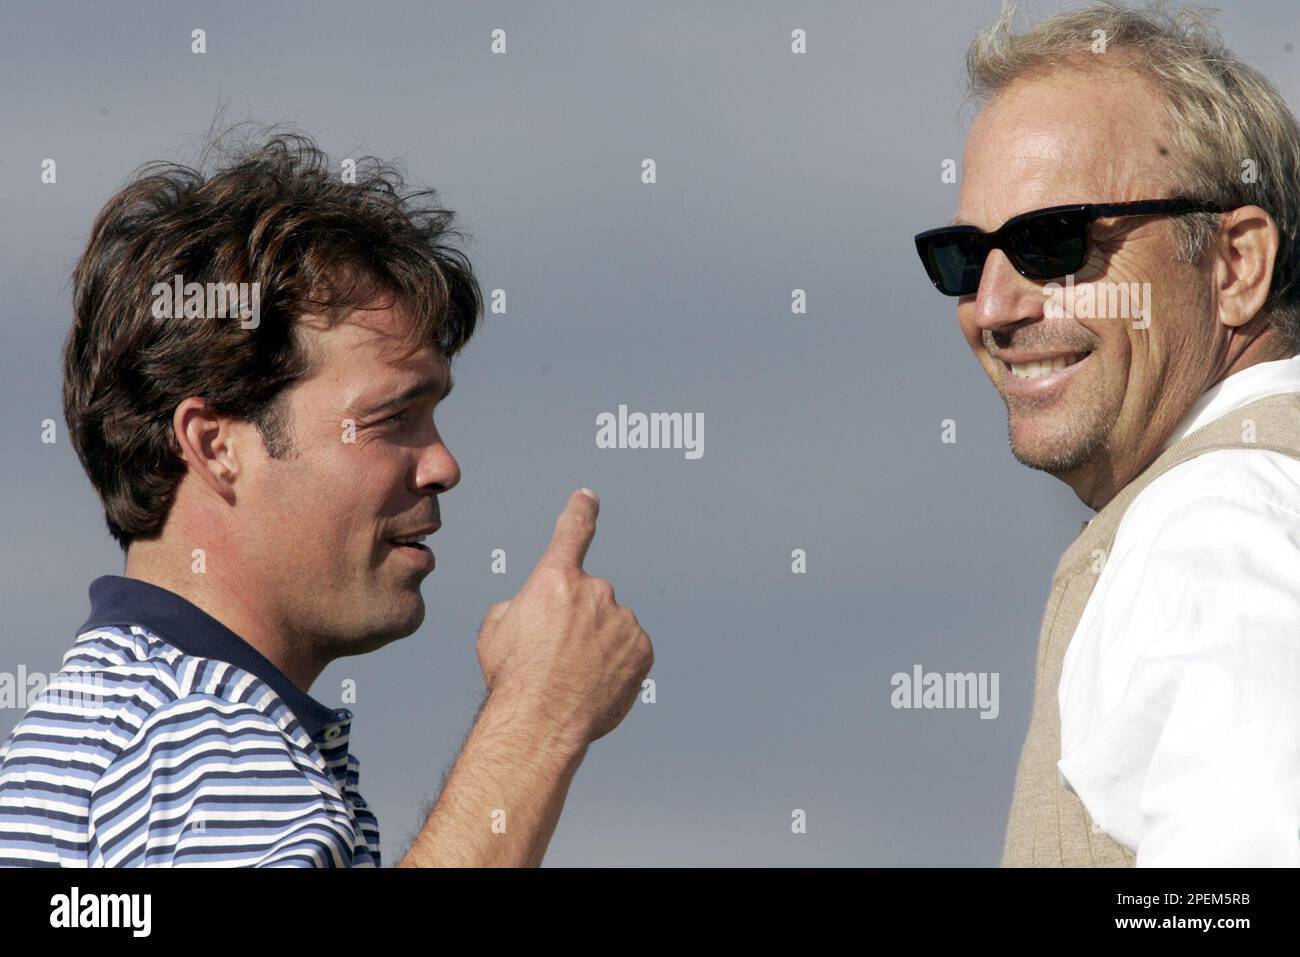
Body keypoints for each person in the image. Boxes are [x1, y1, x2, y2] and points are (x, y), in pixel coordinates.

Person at [0, 133, 653, 867]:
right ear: (215, 446)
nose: (443, 465)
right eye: (390, 419)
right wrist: (539, 714)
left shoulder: (85, 733)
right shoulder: (208, 742)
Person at [914, 1, 1300, 865]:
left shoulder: (1216, 518)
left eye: (1055, 242)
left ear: (1236, 263)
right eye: (964, 258)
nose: (992, 308)